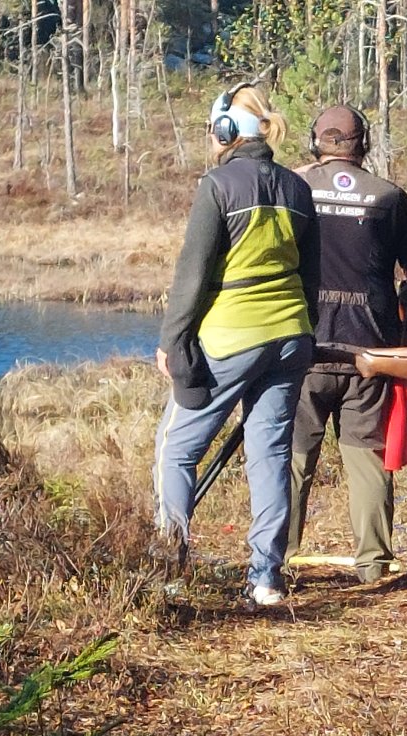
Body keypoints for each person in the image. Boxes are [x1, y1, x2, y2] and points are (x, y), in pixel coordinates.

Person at [153, 83, 321, 607]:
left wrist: (171, 341)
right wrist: (302, 332)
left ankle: (169, 571)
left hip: (232, 336)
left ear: (227, 132)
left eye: (212, 129)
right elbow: (311, 276)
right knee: (269, 454)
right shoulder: (297, 188)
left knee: (176, 450)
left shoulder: (217, 185)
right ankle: (266, 579)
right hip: (291, 336)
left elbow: (192, 274)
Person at [289, 105, 407, 584]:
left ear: (317, 142)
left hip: (303, 348)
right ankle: (373, 563)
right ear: (363, 144)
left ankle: (275, 559)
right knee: (368, 459)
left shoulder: (294, 190)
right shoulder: (389, 197)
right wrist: (405, 338)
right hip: (369, 352)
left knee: (292, 458)